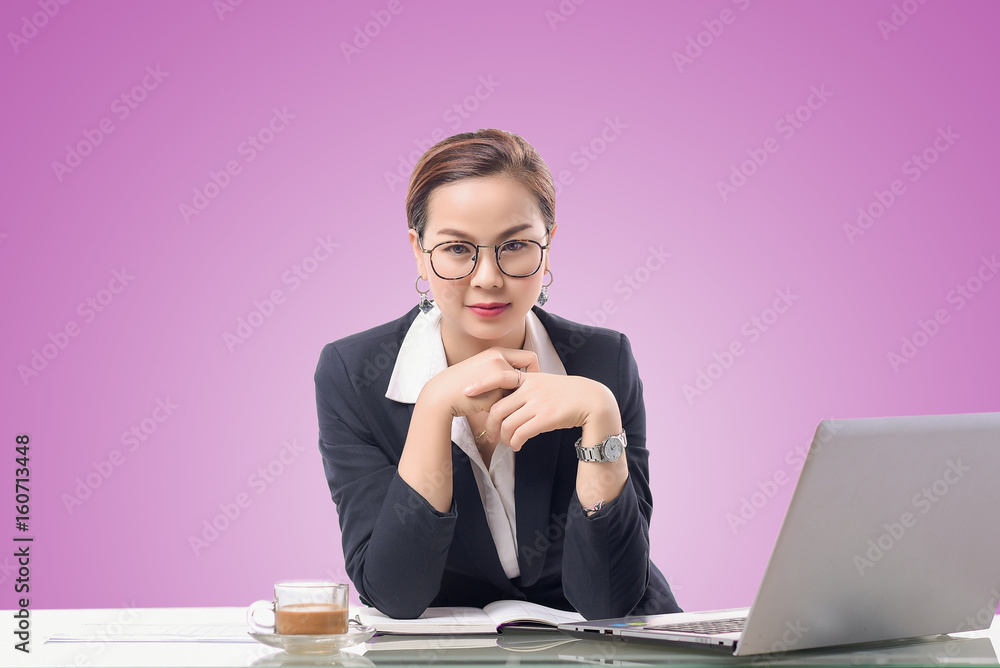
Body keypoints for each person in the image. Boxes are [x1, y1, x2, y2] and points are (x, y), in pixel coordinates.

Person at [314, 128, 681, 620]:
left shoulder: (604, 361)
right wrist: (433, 407)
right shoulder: (352, 374)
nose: (488, 276)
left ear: (548, 246)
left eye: (515, 246)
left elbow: (610, 599)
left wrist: (601, 415)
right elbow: (394, 593)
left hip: (606, 649)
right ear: (419, 251)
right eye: (457, 249)